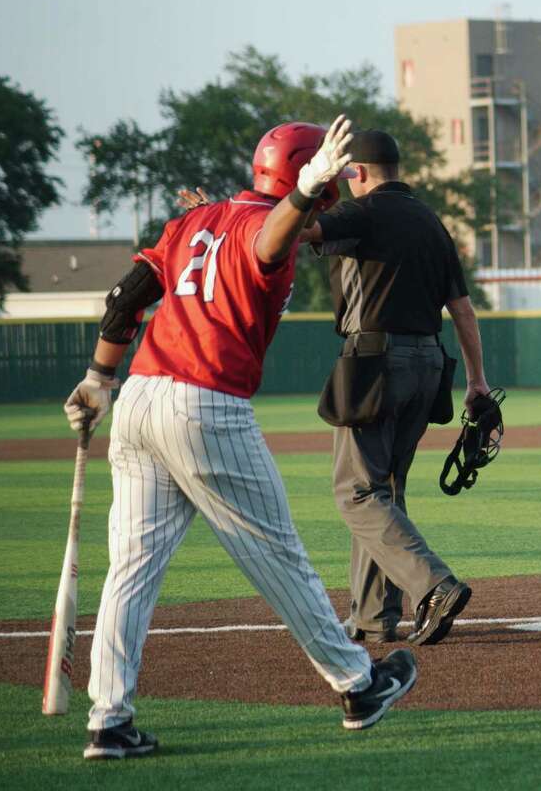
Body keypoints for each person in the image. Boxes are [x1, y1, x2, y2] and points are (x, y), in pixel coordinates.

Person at [62, 116, 418, 760]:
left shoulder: (195, 221)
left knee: (130, 572)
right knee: (278, 555)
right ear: (311, 178)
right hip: (205, 403)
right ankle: (358, 684)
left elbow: (125, 299)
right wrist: (307, 190)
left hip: (138, 399)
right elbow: (270, 241)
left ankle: (108, 722)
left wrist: (97, 377)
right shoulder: (269, 223)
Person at [301, 128, 491, 646]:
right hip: (429, 361)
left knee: (355, 492)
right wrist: (477, 380)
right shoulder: (432, 222)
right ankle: (373, 618)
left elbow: (295, 233)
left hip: (374, 360)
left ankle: (434, 585)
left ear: (357, 173)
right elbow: (463, 310)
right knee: (383, 491)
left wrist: (231, 217)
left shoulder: (360, 214)